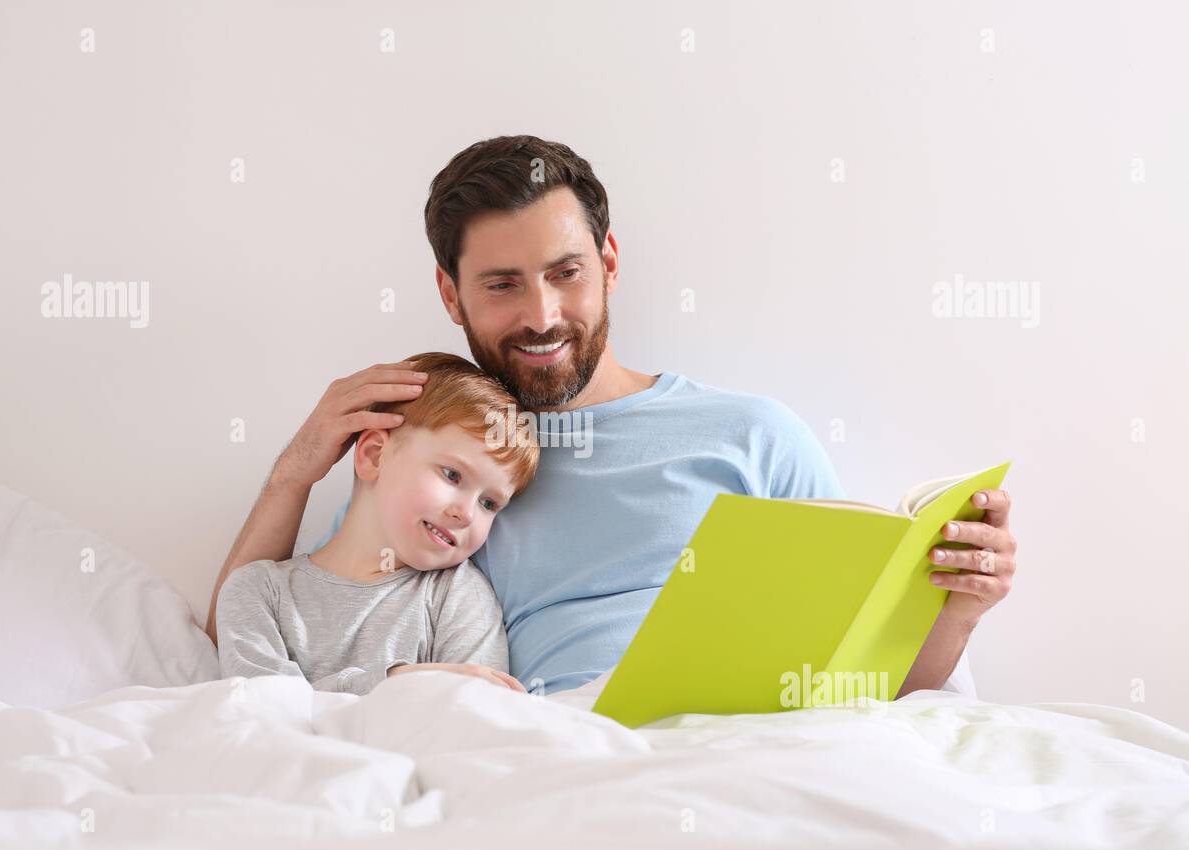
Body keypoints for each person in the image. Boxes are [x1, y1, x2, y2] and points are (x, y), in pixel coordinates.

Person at [207, 134, 1017, 700]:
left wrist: (961, 610)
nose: (543, 314)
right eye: (501, 285)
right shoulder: (438, 462)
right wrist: (295, 469)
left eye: (566, 273)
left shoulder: (755, 435)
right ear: (450, 295)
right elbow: (252, 641)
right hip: (570, 750)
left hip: (765, 743)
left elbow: (876, 677)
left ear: (610, 264)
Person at [215, 352, 536, 695]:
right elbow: (264, 712)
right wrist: (398, 681)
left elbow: (477, 712)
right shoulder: (257, 590)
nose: (467, 514)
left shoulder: (459, 596)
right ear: (373, 455)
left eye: (489, 503)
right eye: (453, 475)